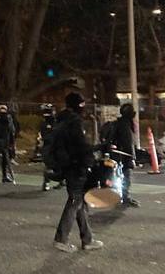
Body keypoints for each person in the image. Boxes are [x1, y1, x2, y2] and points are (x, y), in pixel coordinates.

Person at [53, 93, 102, 253]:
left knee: (80, 203)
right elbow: (81, 147)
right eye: (81, 104)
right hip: (76, 166)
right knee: (75, 201)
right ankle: (61, 239)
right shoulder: (74, 123)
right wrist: (97, 149)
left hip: (67, 165)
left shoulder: (61, 120)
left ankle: (87, 239)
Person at [111, 104, 138, 207]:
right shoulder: (125, 125)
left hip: (117, 154)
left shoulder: (120, 123)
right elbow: (128, 143)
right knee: (126, 177)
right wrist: (131, 158)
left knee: (119, 176)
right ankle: (124, 197)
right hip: (123, 155)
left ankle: (121, 196)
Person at [37, 104, 57, 191]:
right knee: (49, 165)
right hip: (49, 147)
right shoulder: (44, 123)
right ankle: (46, 182)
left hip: (55, 146)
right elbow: (44, 136)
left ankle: (61, 181)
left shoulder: (55, 122)